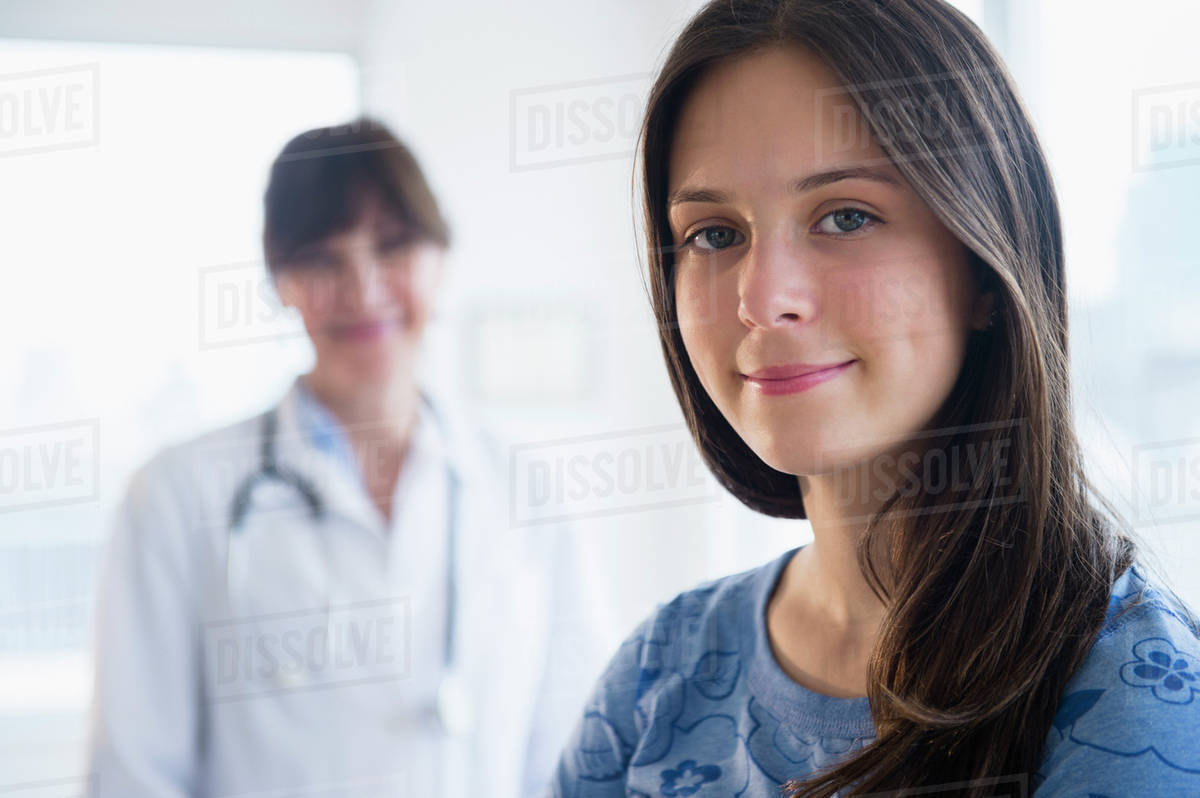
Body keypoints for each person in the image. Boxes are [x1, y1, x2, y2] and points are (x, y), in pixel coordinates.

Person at [549, 1, 1200, 795]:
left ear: (985, 269)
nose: (763, 299)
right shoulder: (656, 673)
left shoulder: (1136, 700)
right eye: (715, 234)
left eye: (846, 217)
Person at [87, 117, 574, 798]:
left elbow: (577, 750)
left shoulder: (523, 488)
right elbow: (135, 778)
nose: (362, 287)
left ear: (441, 256)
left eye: (393, 245)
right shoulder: (175, 496)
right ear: (279, 280)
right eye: (320, 258)